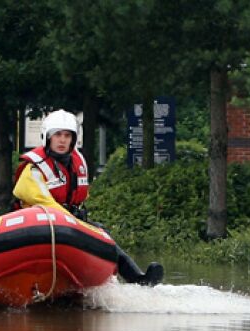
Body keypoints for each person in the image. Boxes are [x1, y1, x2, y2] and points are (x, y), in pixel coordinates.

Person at [13, 109, 163, 286]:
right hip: (37, 227)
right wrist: (74, 224)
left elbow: (79, 197)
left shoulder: (76, 163)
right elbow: (44, 201)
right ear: (47, 137)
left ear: (73, 139)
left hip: (68, 224)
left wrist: (80, 224)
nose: (62, 140)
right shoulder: (34, 168)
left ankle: (137, 278)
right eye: (57, 135)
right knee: (91, 231)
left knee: (103, 235)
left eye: (67, 136)